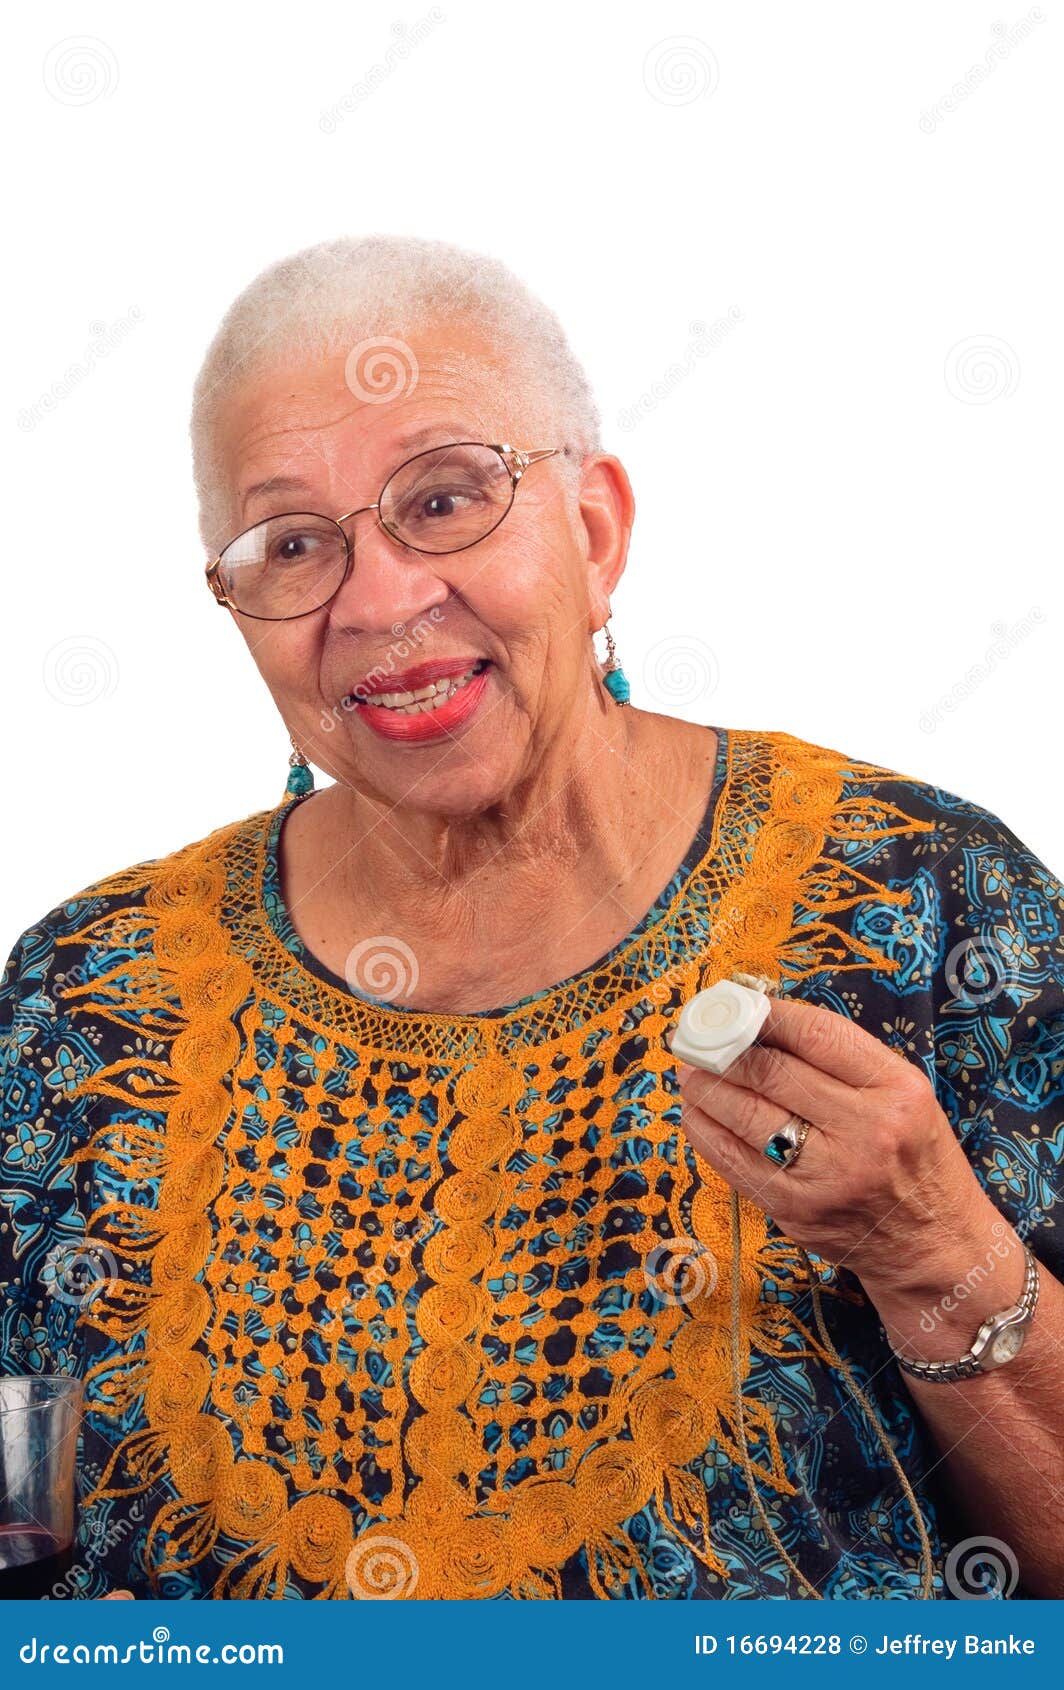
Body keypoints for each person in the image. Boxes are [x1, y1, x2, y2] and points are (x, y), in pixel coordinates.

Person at [2, 236, 1062, 1602]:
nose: (381, 600)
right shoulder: (86, 998)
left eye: (445, 499)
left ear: (596, 530)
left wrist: (933, 1252)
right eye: (293, 544)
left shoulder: (921, 904)